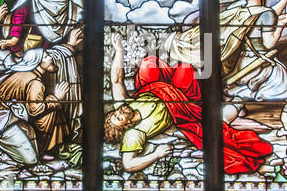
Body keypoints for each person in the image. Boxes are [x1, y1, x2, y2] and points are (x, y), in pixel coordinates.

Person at [105, 35, 271, 175]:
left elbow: (116, 80)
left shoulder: (123, 104)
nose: (118, 112)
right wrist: (156, 154)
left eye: (114, 114)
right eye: (118, 118)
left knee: (148, 64)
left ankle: (190, 52)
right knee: (185, 69)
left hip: (157, 84)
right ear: (125, 126)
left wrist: (118, 50)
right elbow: (128, 164)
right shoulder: (133, 134)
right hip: (180, 102)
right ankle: (221, 82)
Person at [220, 0, 287, 160]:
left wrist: (285, 0)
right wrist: (281, 26)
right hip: (261, 66)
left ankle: (218, 134)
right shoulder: (266, 14)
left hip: (241, 67)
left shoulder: (243, 13)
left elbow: (268, 14)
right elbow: (269, 42)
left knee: (237, 99)